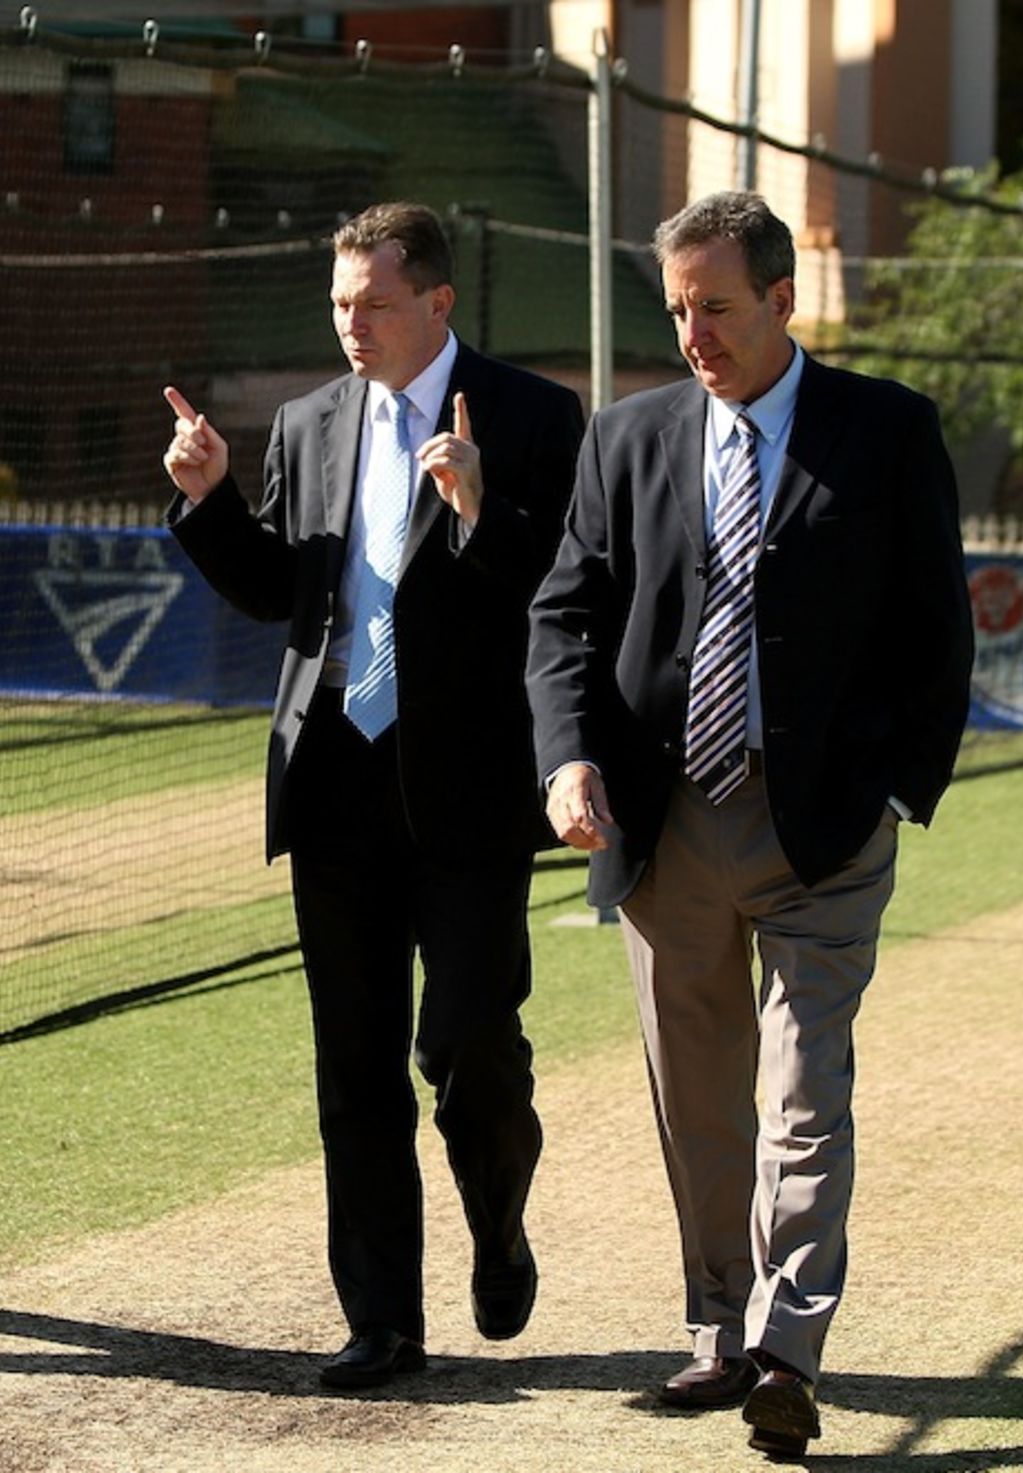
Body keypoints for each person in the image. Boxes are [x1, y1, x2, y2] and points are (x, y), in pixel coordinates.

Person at [526, 191, 973, 1460]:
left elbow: (938, 628)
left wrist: (895, 788)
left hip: (824, 829)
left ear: (785, 300)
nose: (693, 337)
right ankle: (719, 1323)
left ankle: (788, 1347)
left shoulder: (887, 432)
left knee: (802, 1090)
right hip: (664, 826)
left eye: (714, 307)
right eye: (676, 310)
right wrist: (566, 766)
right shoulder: (627, 440)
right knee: (700, 1098)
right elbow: (563, 618)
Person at [162, 201, 584, 1389]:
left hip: (468, 792)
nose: (353, 324)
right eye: (341, 304)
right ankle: (383, 1324)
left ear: (438, 305)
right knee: (354, 1069)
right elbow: (279, 596)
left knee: (467, 1045)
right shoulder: (306, 420)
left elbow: (565, 591)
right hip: (336, 778)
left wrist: (478, 513)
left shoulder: (536, 415)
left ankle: (499, 1230)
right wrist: (209, 503)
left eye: (376, 304)